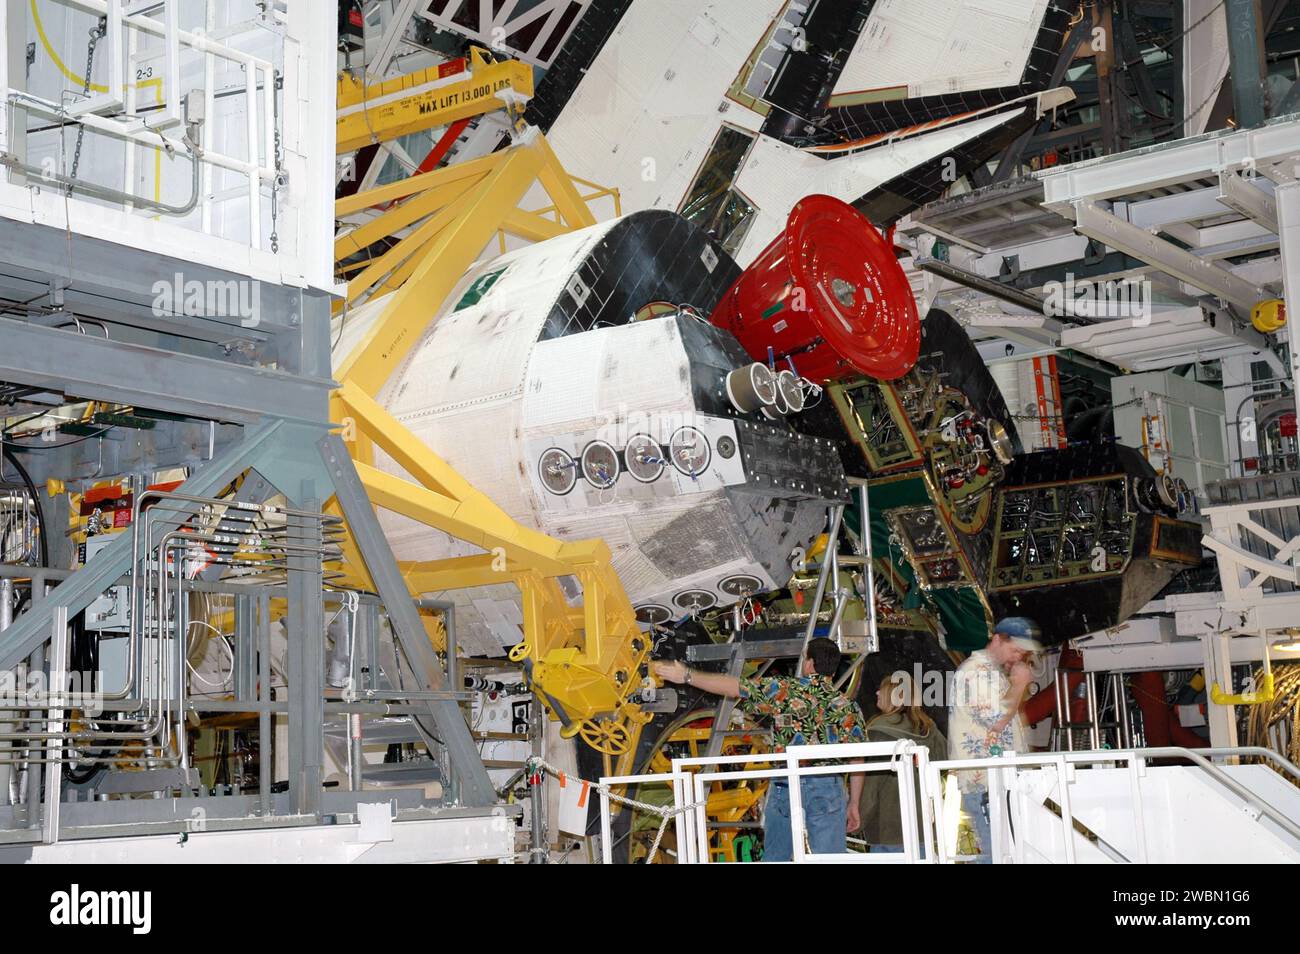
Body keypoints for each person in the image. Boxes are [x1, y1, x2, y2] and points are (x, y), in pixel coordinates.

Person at [654, 637, 866, 861]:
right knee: (830, 858)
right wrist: (854, 803)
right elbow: (857, 759)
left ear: (809, 663)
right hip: (827, 785)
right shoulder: (847, 706)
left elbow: (735, 687)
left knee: (776, 857)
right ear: (833, 669)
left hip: (786, 781)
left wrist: (687, 675)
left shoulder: (784, 690)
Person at [947, 617, 1041, 863]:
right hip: (985, 786)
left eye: (1022, 652)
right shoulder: (975, 672)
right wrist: (1019, 684)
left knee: (1002, 854)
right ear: (997, 639)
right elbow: (997, 718)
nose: (1018, 657)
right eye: (1015, 650)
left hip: (994, 783)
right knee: (995, 856)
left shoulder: (990, 674)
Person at [856, 671, 947, 853]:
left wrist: (859, 818)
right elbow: (943, 764)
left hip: (888, 829)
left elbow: (872, 786)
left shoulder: (878, 732)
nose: (876, 693)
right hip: (924, 827)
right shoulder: (929, 729)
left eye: (882, 689)